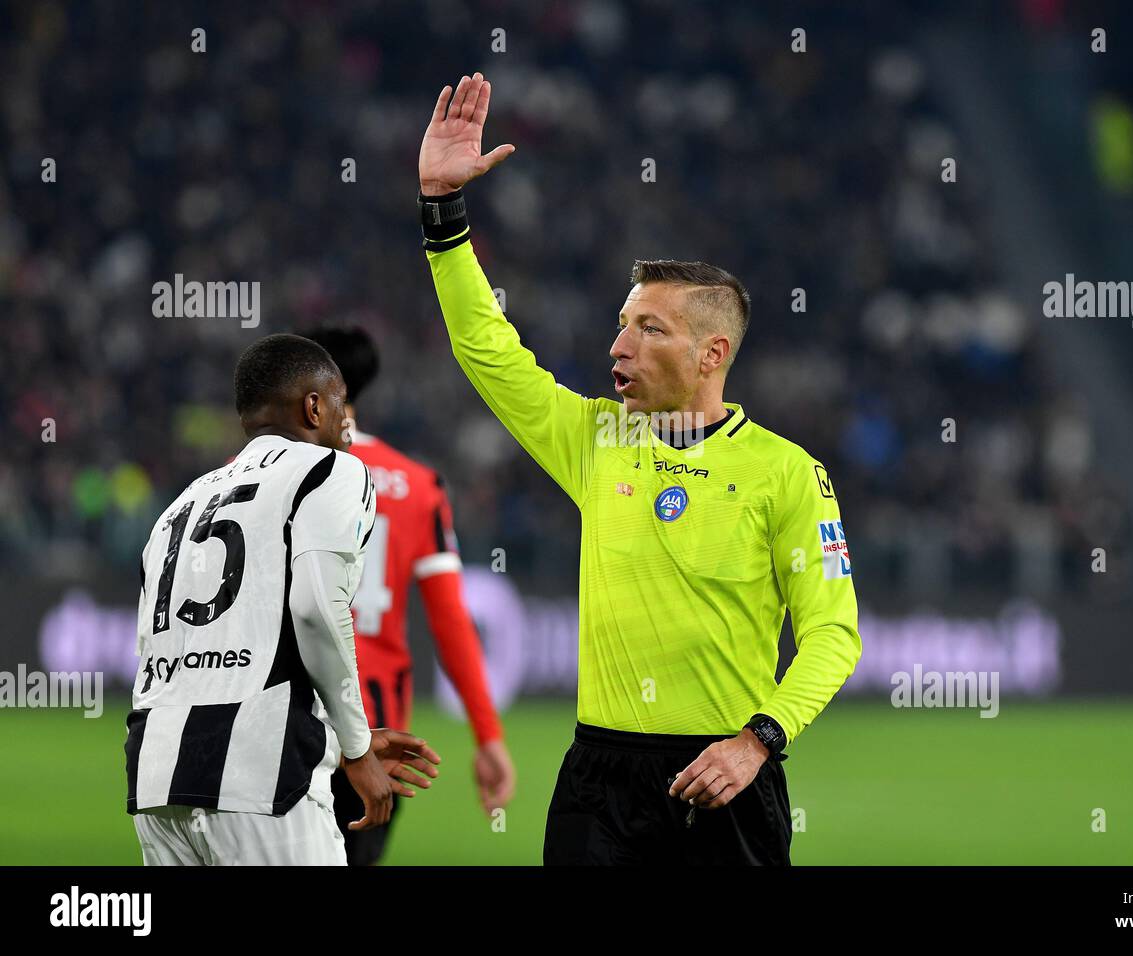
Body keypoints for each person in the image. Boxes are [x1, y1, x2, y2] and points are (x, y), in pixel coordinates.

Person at [415, 73, 861, 865]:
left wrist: (758, 741)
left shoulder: (787, 473)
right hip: (599, 781)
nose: (618, 347)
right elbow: (486, 348)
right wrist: (444, 216)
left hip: (727, 776)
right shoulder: (597, 439)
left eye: (648, 329)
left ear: (710, 354)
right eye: (622, 324)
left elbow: (833, 634)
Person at [127, 333, 440, 866]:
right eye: (342, 402)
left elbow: (155, 646)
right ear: (314, 405)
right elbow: (317, 610)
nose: (349, 420)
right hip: (262, 779)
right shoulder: (332, 471)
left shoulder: (182, 504)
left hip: (156, 779)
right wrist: (359, 748)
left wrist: (337, 745)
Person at [302, 326, 515, 866]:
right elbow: (450, 623)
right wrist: (487, 738)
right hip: (379, 734)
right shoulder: (419, 486)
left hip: (290, 721)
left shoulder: (263, 477)